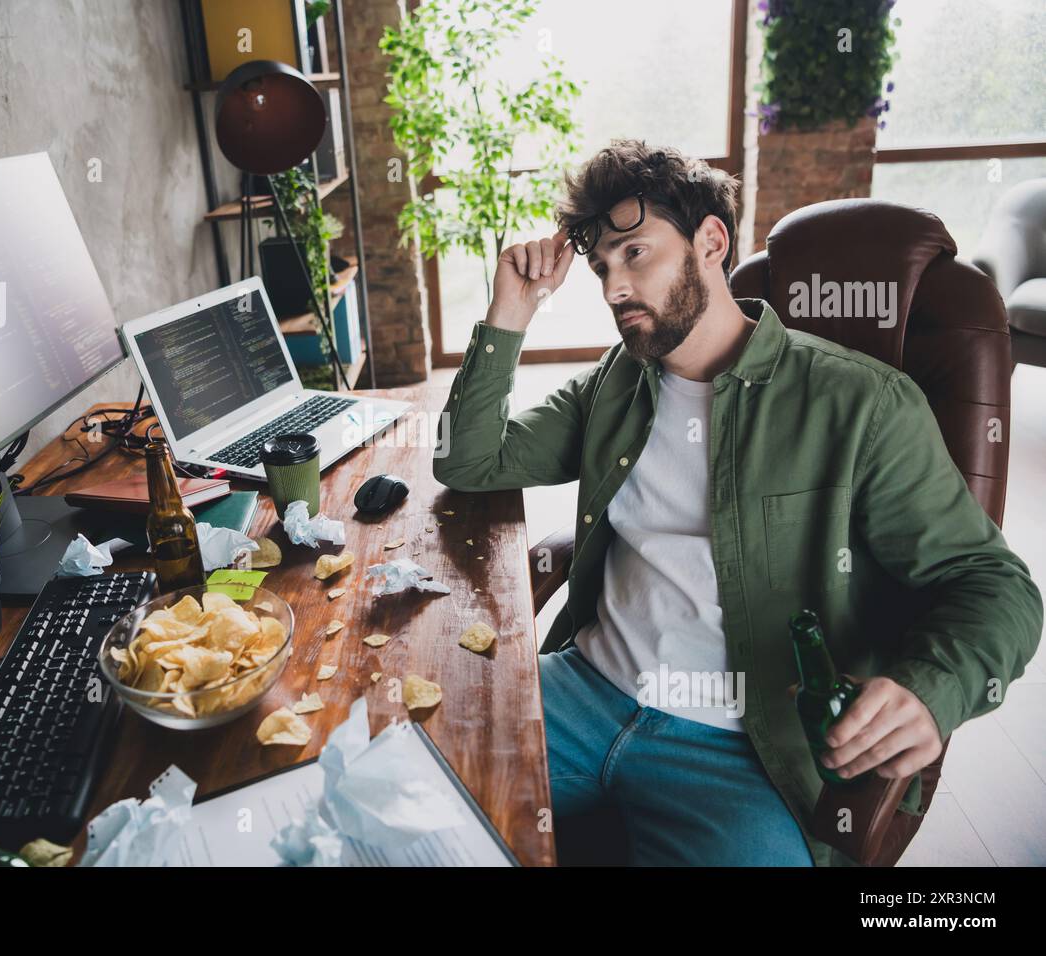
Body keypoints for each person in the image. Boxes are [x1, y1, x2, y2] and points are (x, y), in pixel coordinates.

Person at [432, 139, 1043, 866]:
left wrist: (930, 691)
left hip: (742, 752)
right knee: (396, 802)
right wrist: (510, 310)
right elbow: (466, 460)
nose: (614, 289)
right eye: (601, 268)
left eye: (635, 255)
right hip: (582, 697)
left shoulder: (861, 405)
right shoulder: (617, 381)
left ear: (711, 242)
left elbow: (992, 583)